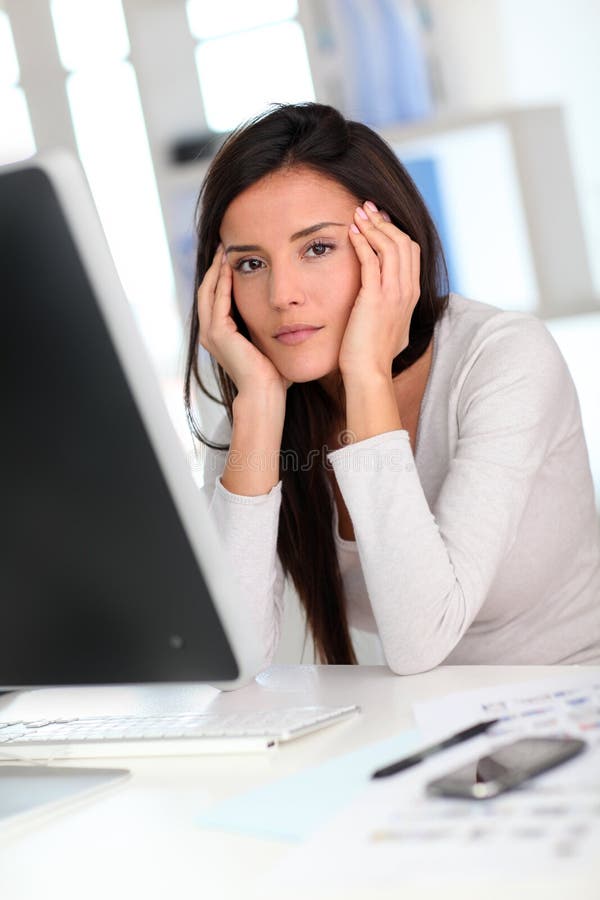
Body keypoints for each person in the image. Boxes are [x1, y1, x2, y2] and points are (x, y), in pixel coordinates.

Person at [184, 102, 600, 673]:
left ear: (390, 248)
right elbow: (234, 657)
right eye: (251, 264)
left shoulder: (503, 359)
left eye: (317, 248)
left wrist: (367, 374)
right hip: (428, 731)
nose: (283, 295)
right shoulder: (259, 408)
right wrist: (255, 405)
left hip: (573, 709)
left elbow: (420, 639)